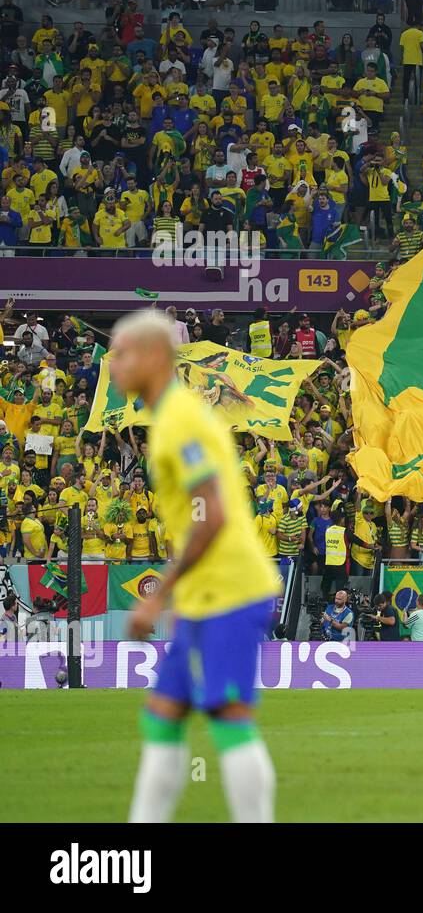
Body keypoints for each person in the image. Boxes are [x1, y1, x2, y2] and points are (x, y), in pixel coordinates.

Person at [113, 310, 279, 823]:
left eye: (121, 353)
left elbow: (212, 515)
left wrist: (159, 594)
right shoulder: (171, 418)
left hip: (229, 590)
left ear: (155, 357)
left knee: (229, 716)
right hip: (204, 595)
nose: (112, 365)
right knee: (163, 715)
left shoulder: (179, 421)